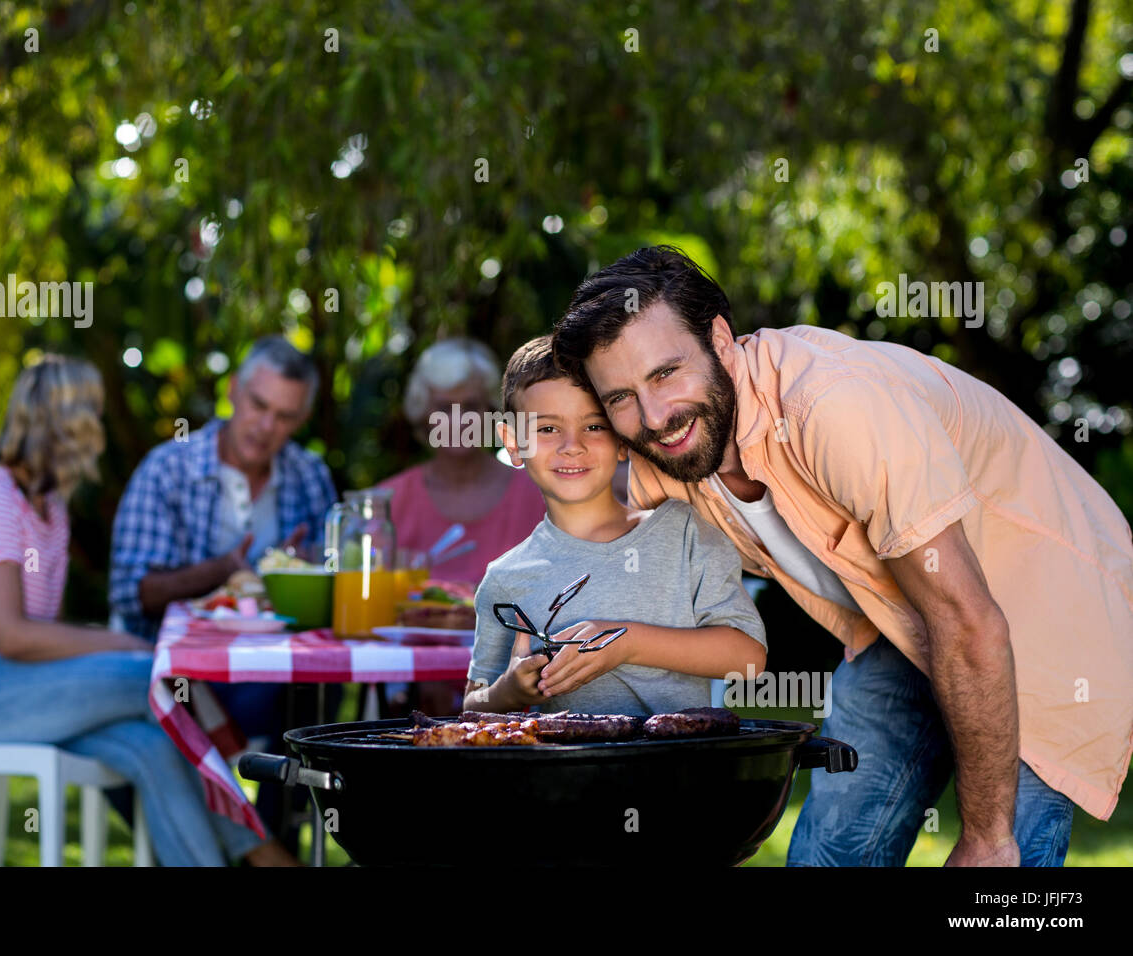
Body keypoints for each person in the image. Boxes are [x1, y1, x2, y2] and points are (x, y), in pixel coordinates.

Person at [551, 244, 1133, 866]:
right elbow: (610, 565)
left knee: (1001, 876)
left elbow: (970, 624)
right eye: (621, 398)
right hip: (895, 619)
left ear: (721, 341)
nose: (655, 416)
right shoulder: (672, 452)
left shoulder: (832, 407)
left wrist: (987, 838)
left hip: (1032, 621)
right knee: (830, 855)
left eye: (666, 373)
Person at [0, 356, 293, 865]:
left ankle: (253, 857)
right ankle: (269, 856)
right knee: (152, 675)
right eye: (92, 417)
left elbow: (43, 637)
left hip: (7, 692)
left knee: (153, 744)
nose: (98, 433)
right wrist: (123, 643)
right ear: (62, 422)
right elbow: (14, 637)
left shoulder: (48, 510)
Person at [463, 336, 766, 716]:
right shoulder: (506, 579)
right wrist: (508, 691)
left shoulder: (685, 533)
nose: (572, 446)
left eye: (594, 427)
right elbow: (473, 708)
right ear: (512, 442)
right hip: (565, 774)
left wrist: (626, 643)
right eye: (547, 429)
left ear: (624, 440)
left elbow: (749, 658)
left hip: (677, 772)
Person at [109, 336, 337, 840]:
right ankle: (257, 852)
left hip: (269, 674)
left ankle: (277, 839)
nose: (266, 426)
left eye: (285, 416)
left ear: (299, 420)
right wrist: (225, 568)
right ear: (233, 391)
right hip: (182, 678)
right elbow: (133, 592)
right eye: (259, 405)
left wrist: (302, 574)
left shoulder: (308, 474)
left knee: (315, 691)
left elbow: (332, 587)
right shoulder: (168, 469)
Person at [380, 337, 547, 584]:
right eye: (444, 408)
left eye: (470, 406)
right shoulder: (386, 504)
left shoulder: (540, 496)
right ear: (423, 414)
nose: (459, 421)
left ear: (491, 412)